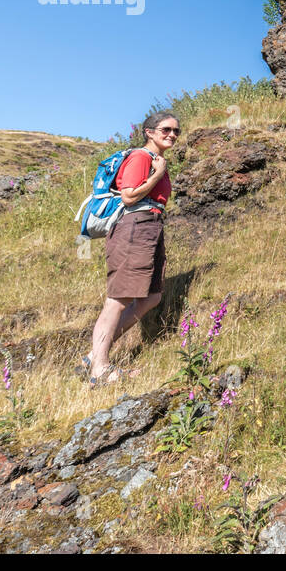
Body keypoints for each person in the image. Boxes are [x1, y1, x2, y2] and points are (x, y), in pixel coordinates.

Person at [85, 110, 179, 386]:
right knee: (119, 298)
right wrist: (157, 174)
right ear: (149, 132)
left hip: (151, 225)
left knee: (151, 297)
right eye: (166, 130)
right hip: (134, 225)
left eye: (176, 131)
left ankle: (95, 355)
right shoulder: (141, 157)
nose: (172, 135)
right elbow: (128, 196)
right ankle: (100, 368)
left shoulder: (155, 160)